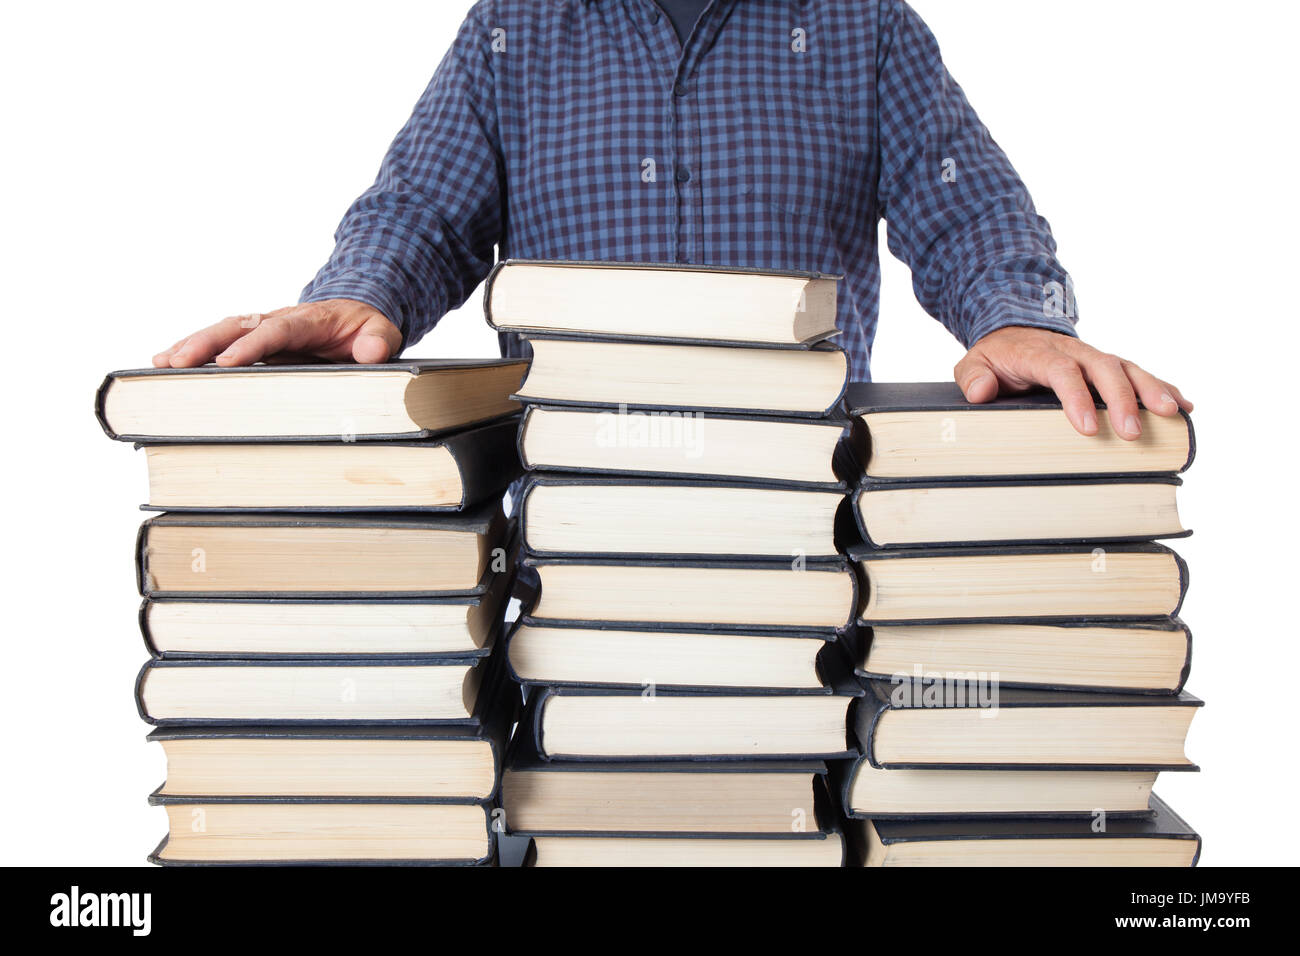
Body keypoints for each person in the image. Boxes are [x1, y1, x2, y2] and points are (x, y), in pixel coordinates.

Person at [153, 0, 1190, 437]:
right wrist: (355, 297)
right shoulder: (516, 26)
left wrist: (1015, 317)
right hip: (570, 554)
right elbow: (421, 212)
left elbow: (970, 210)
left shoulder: (860, 23)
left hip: (805, 542)